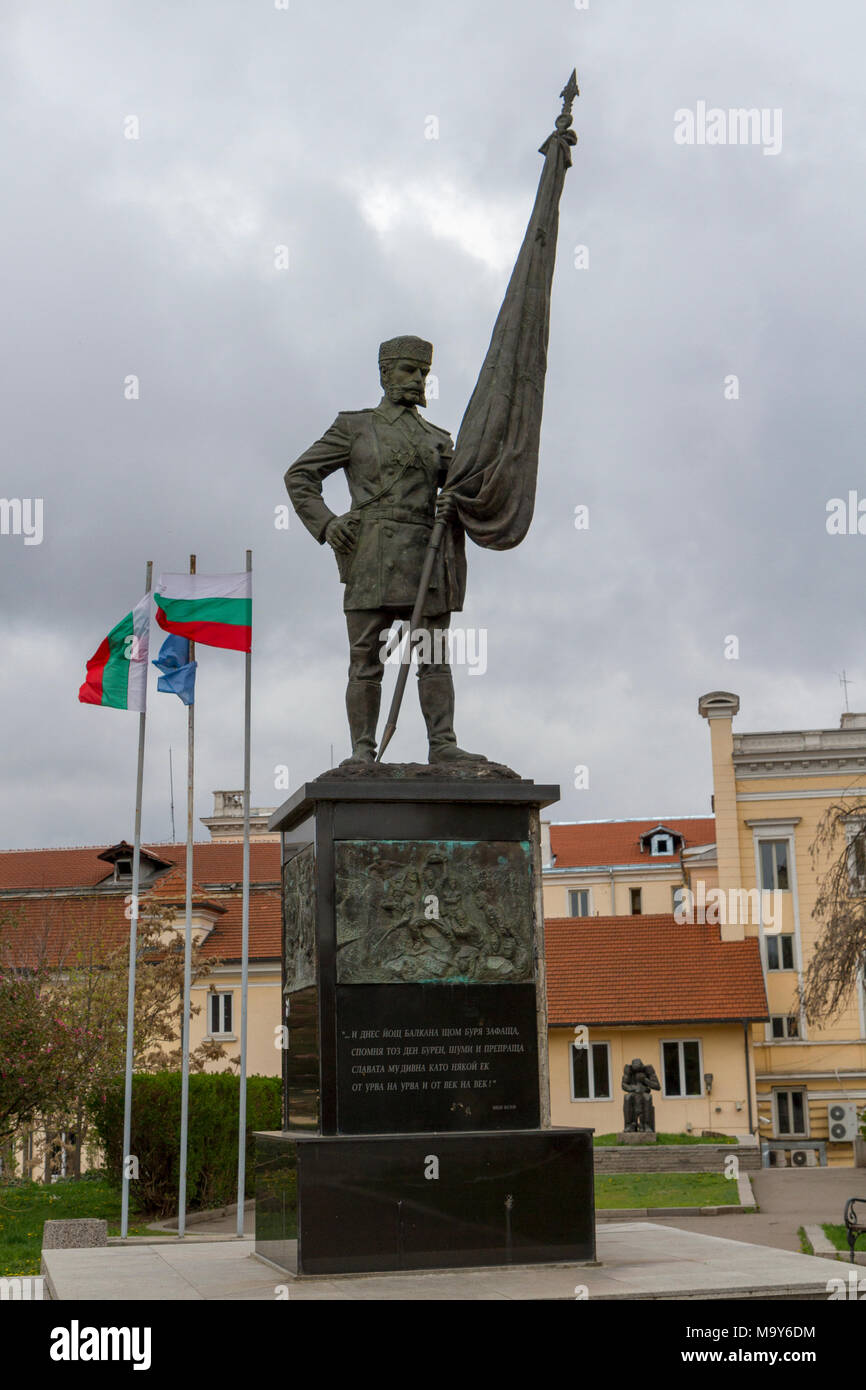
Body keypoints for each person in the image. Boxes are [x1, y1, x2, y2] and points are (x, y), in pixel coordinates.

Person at [285, 335, 486, 764]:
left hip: (425, 554)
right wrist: (327, 523)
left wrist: (457, 500)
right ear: (385, 373)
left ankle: (443, 744)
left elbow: (468, 488)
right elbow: (300, 475)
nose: (417, 380)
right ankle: (362, 750)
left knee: (433, 655)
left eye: (424, 373)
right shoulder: (354, 427)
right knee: (365, 658)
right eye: (409, 371)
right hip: (370, 554)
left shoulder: (438, 439)